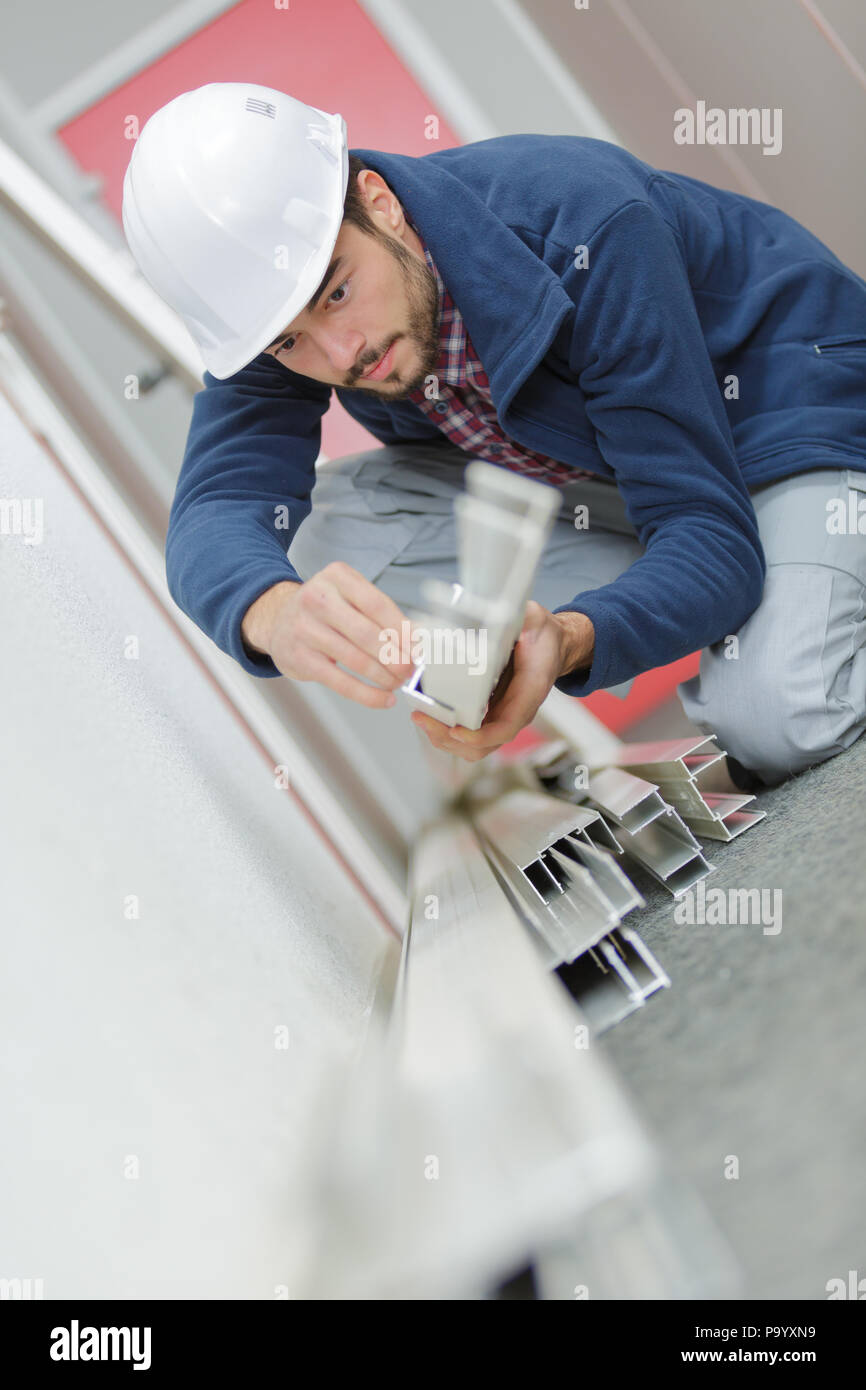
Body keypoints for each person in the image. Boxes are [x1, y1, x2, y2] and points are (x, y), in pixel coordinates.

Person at [123, 83, 866, 788]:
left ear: (379, 204)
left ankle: (816, 577)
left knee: (779, 718)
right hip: (629, 480)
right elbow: (215, 508)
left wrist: (575, 638)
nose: (341, 352)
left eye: (339, 293)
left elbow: (707, 531)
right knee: (307, 546)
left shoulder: (586, 225)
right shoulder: (290, 314)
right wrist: (273, 614)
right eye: (291, 342)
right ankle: (807, 596)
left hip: (789, 426)